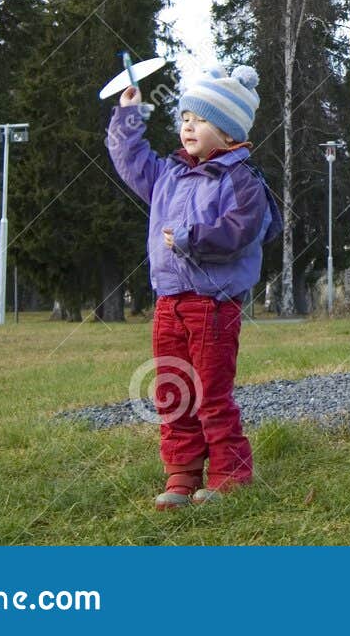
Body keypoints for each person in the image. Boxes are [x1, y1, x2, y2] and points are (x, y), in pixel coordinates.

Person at [106, 64, 279, 509]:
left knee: (212, 393)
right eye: (185, 117)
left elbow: (240, 231)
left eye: (200, 119)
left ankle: (229, 476)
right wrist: (128, 117)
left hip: (214, 306)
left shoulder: (242, 180)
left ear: (227, 131)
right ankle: (181, 475)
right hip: (169, 303)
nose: (188, 126)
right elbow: (131, 162)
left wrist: (189, 238)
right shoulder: (169, 175)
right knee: (172, 390)